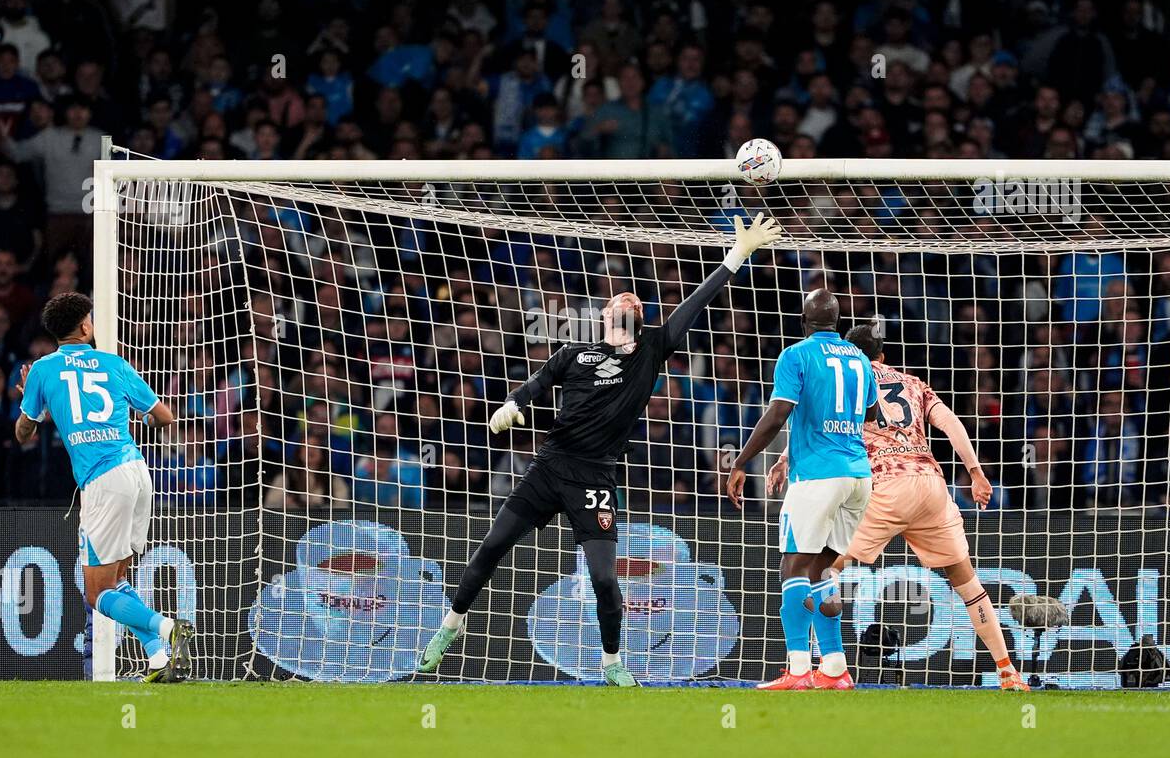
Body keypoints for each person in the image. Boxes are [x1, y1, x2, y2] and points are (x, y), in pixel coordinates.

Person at [419, 214, 782, 686]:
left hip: (595, 479)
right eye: (617, 299)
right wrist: (512, 403)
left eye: (634, 299)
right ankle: (452, 624)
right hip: (550, 466)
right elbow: (537, 383)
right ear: (606, 315)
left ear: (640, 317)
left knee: (606, 580)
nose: (625, 301)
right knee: (492, 546)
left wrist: (737, 254)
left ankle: (611, 662)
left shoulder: (653, 348)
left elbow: (698, 301)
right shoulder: (574, 354)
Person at [770, 324, 1029, 691]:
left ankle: (825, 667)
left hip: (885, 486)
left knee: (820, 569)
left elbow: (830, 428)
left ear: (850, 353)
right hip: (931, 486)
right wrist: (975, 473)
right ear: (883, 355)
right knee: (967, 583)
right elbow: (951, 424)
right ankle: (1007, 672)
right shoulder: (915, 383)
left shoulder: (854, 378)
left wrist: (784, 459)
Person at [14, 292, 192, 682]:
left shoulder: (42, 371)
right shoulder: (113, 364)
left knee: (96, 595)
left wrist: (37, 404)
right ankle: (159, 657)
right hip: (137, 472)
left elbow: (23, 432)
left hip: (102, 483)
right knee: (117, 581)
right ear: (85, 326)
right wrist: (124, 418)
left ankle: (167, 628)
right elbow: (164, 417)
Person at [725, 289, 879, 690]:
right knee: (823, 571)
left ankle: (796, 669)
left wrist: (741, 462)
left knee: (792, 567)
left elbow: (778, 413)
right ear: (838, 320)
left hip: (817, 476)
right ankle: (834, 669)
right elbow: (872, 414)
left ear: (804, 320)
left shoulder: (796, 355)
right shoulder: (860, 358)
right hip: (858, 476)